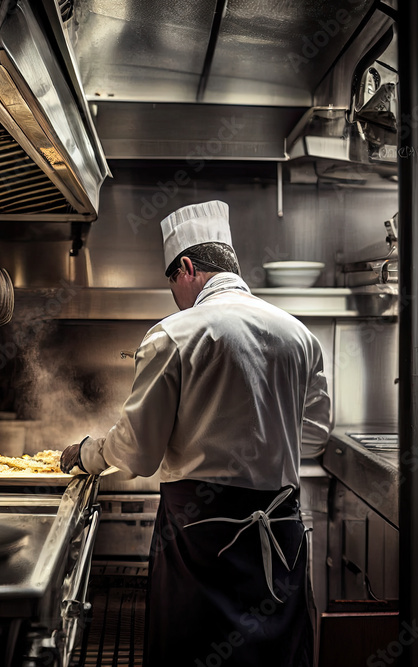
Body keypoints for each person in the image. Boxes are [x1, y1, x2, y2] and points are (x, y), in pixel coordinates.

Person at [61, 200, 332, 666]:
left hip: (202, 538)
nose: (175, 296)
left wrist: (88, 453)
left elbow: (139, 452)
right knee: (276, 656)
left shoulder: (175, 333)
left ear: (186, 267)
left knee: (195, 653)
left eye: (172, 284)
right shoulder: (299, 335)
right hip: (281, 528)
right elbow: (313, 436)